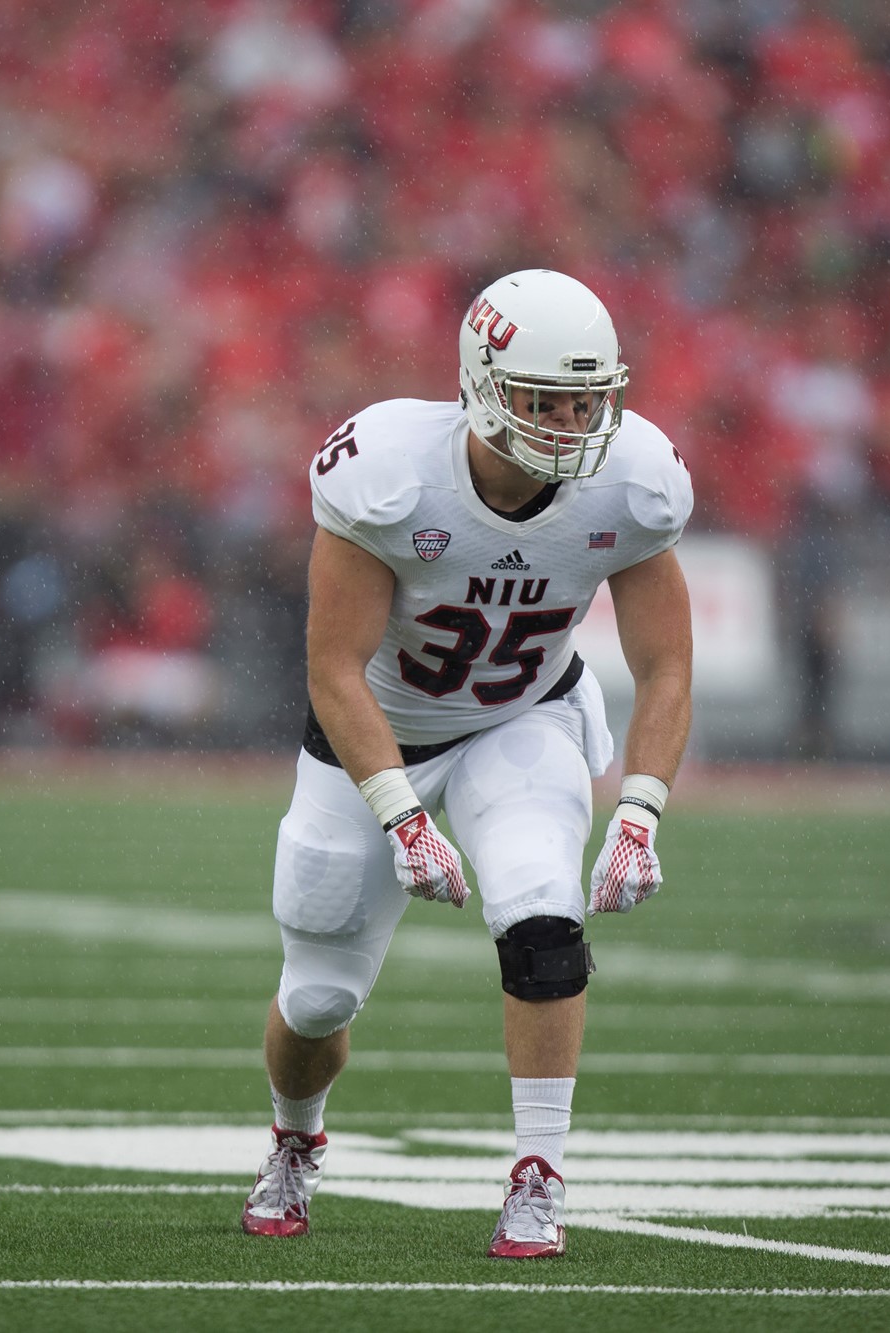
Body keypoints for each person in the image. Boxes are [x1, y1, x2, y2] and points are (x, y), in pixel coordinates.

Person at [241, 271, 695, 1258]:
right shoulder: (393, 477)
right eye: (545, 399)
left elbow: (664, 664)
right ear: (483, 385)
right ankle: (294, 1137)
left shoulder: (632, 481)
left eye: (585, 400)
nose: (570, 424)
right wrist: (402, 815)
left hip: (520, 718)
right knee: (318, 996)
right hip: (377, 733)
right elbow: (333, 669)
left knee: (543, 916)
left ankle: (538, 1174)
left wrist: (640, 811)